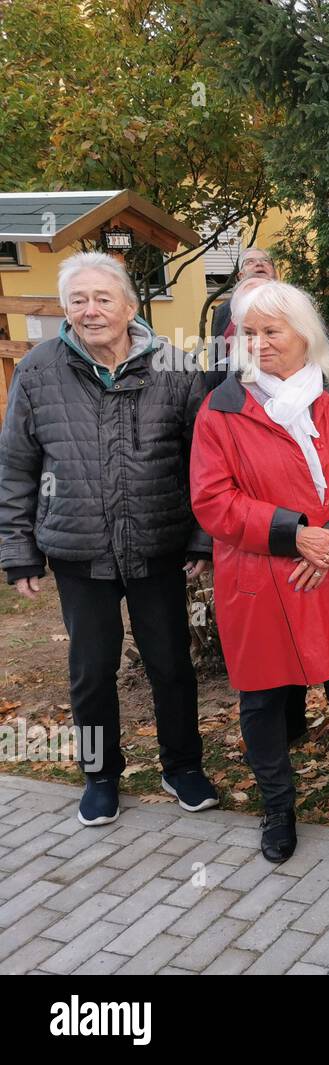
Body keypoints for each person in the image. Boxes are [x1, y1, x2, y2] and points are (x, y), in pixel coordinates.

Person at [190, 281, 329, 863]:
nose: (258, 344)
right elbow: (213, 501)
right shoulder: (222, 408)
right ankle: (278, 807)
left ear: (303, 334)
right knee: (263, 702)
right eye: (249, 333)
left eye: (273, 331)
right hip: (265, 578)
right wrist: (296, 536)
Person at [0, 251, 217, 827]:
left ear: (128, 305)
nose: (90, 311)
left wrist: (200, 540)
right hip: (79, 551)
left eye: (102, 298)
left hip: (158, 543)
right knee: (92, 671)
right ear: (66, 308)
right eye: (78, 300)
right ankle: (100, 776)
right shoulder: (38, 370)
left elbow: (204, 461)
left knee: (170, 664)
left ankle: (183, 766)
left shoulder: (174, 365)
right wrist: (17, 548)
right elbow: (17, 464)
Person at [209, 246, 278, 341]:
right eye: (250, 261)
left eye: (265, 260)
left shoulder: (292, 302)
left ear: (274, 273)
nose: (259, 264)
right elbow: (216, 352)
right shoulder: (223, 311)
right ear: (241, 276)